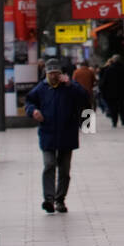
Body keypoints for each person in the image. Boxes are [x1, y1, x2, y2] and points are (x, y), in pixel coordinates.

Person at [24, 58, 91, 213]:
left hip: (67, 134)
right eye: (51, 73)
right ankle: (48, 199)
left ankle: (60, 199)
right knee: (49, 165)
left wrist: (71, 84)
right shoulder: (41, 89)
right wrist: (33, 111)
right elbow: (29, 102)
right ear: (47, 73)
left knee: (64, 170)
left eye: (57, 73)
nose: (54, 76)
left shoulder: (69, 87)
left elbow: (84, 97)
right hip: (47, 133)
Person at [99, 52, 124, 126]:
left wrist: (103, 90)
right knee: (122, 106)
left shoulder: (109, 70)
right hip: (122, 92)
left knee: (113, 107)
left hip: (111, 92)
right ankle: (123, 120)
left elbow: (104, 82)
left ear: (113, 60)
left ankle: (114, 121)